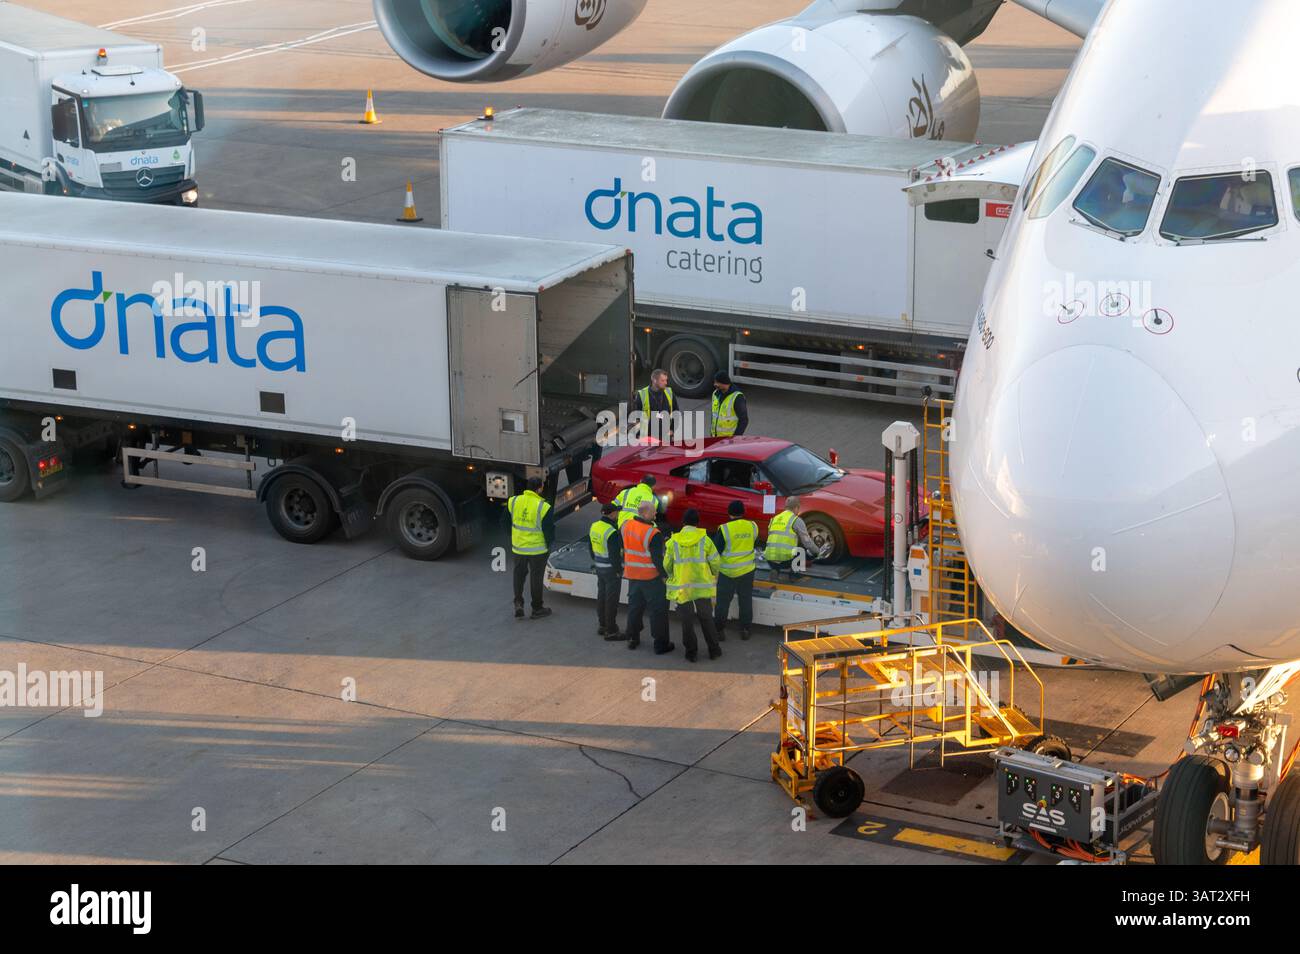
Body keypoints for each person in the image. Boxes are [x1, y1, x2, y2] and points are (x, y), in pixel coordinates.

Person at [665, 508, 722, 662]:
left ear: (683, 523)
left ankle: (691, 653)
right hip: (702, 586)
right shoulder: (705, 540)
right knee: (706, 618)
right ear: (697, 523)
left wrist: (674, 575)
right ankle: (714, 650)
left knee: (687, 621)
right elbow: (716, 562)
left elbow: (667, 565)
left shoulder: (672, 542)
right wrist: (711, 574)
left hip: (682, 587)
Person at [620, 500, 673, 654]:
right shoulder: (653, 534)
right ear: (644, 513)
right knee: (658, 611)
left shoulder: (626, 526)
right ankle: (660, 644)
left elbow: (623, 545)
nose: (656, 513)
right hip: (651, 578)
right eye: (653, 511)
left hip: (633, 575)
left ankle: (632, 638)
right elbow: (657, 559)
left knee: (635, 608)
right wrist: (664, 576)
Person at [506, 476, 554, 619]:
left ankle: (518, 603)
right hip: (538, 550)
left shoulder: (514, 501)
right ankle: (537, 608)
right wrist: (549, 545)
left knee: (518, 575)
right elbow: (549, 530)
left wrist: (514, 535)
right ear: (540, 488)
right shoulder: (543, 507)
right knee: (536, 578)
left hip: (519, 548)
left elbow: (503, 522)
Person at [712, 499, 757, 640]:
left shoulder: (724, 529)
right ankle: (745, 630)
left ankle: (719, 631)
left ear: (729, 513)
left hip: (728, 572)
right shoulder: (752, 526)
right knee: (745, 601)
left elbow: (715, 551)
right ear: (743, 512)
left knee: (722, 603)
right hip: (748, 571)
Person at [589, 502, 625, 640]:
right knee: (611, 601)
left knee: (602, 597)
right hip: (611, 571)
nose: (618, 514)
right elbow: (614, 555)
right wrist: (618, 570)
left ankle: (602, 625)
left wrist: (598, 560)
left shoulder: (594, 526)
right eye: (617, 512)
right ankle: (611, 631)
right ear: (612, 514)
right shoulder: (611, 532)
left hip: (600, 567)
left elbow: (591, 549)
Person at [763, 496, 820, 580]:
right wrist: (816, 552)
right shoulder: (796, 520)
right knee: (801, 550)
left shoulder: (774, 519)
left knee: (778, 549)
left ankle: (775, 569)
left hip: (769, 559)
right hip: (786, 561)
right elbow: (807, 542)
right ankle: (794, 574)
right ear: (796, 507)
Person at [636, 369, 675, 442]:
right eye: (662, 381)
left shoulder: (669, 392)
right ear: (654, 380)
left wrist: (672, 431)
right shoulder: (642, 394)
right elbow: (637, 417)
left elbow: (676, 413)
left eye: (666, 380)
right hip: (649, 436)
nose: (666, 383)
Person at [709, 371, 748, 437]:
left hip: (728, 440)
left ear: (723, 382)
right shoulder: (715, 394)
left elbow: (744, 420)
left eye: (717, 382)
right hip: (714, 437)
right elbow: (714, 416)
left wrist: (735, 438)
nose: (715, 384)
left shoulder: (737, 397)